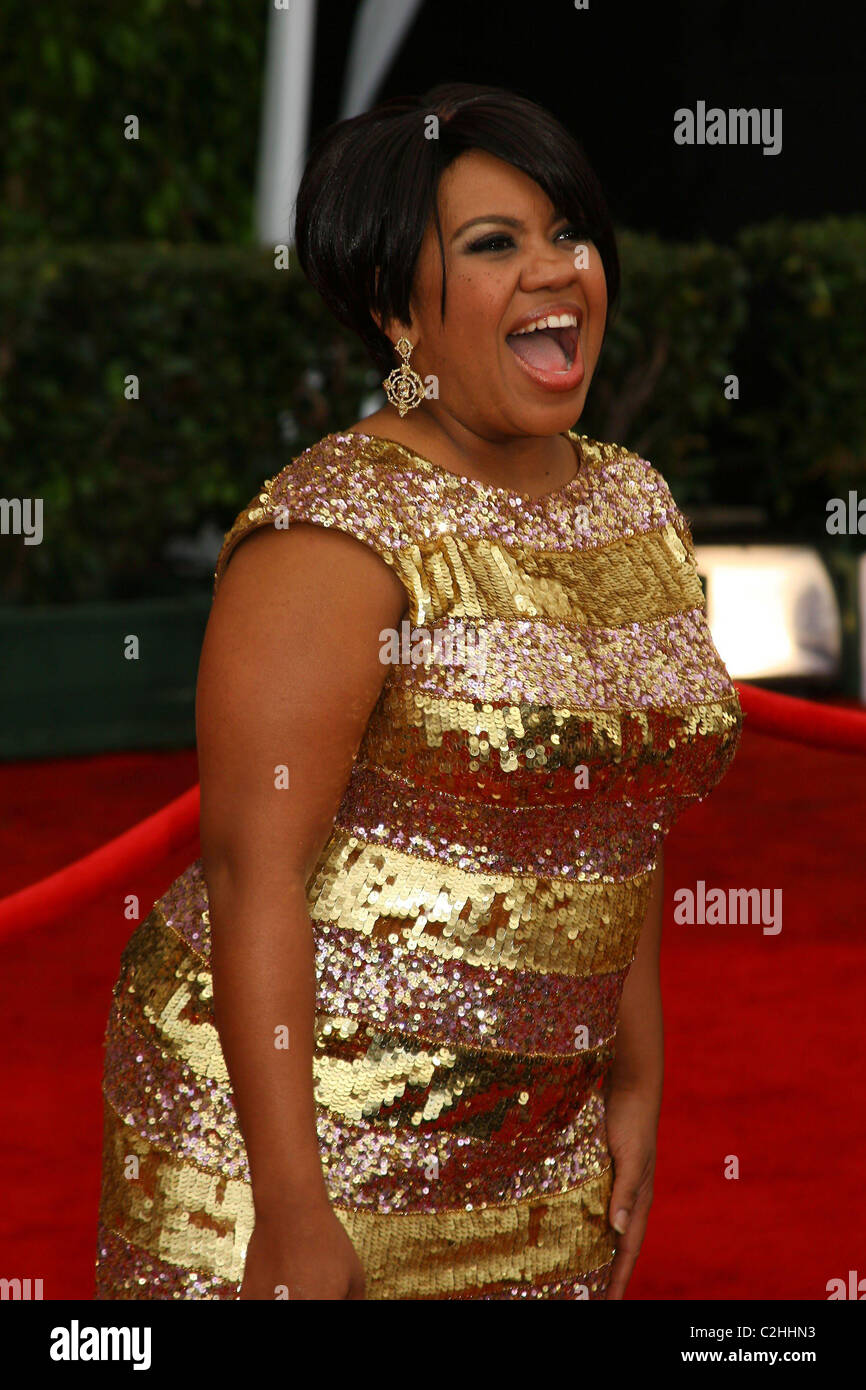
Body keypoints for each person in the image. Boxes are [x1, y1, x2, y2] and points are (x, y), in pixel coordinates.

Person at [94, 82, 742, 1301]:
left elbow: (620, 817)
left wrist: (635, 1078)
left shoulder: (634, 503)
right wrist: (288, 1208)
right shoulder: (333, 533)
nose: (553, 271)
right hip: (293, 1141)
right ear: (397, 311)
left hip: (534, 1133)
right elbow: (256, 874)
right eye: (493, 245)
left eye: (568, 234)